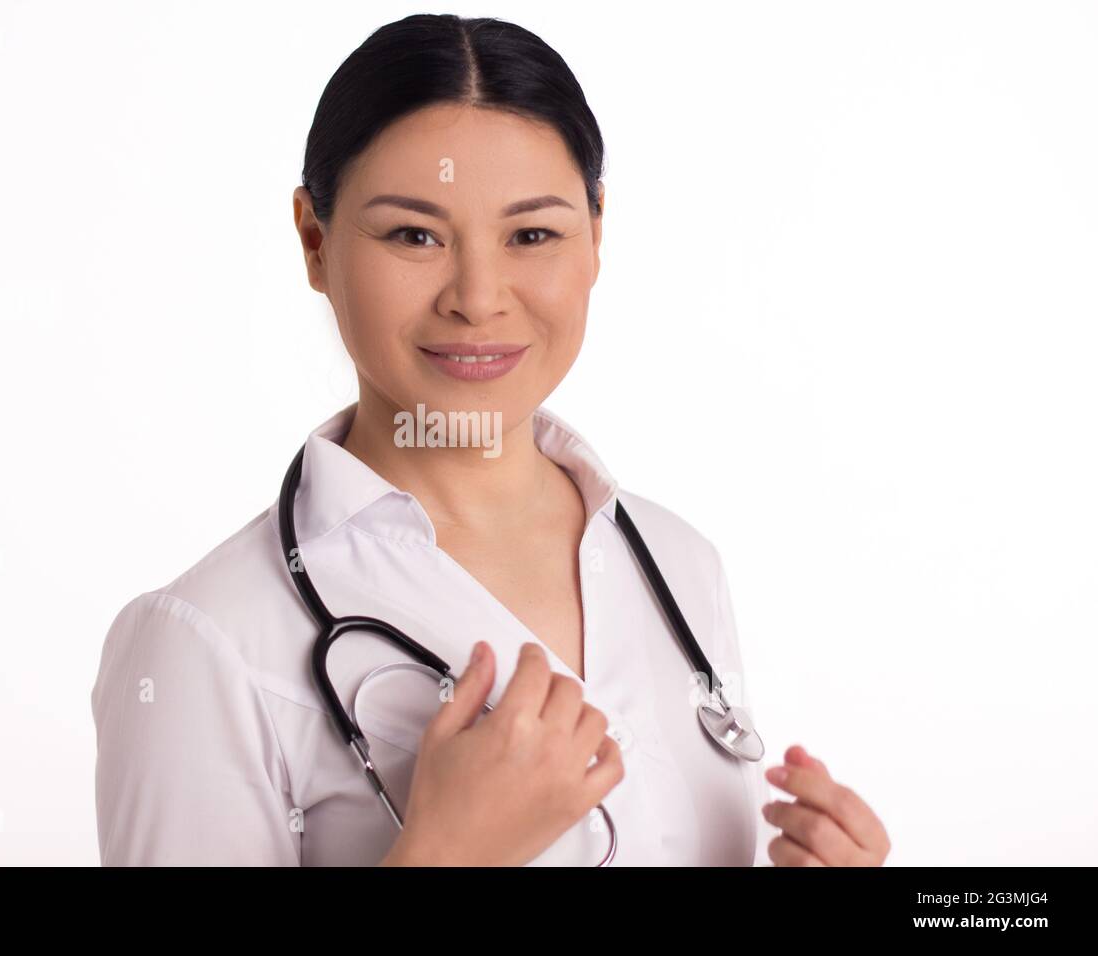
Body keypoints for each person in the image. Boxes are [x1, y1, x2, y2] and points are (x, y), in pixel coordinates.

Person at [91, 13, 891, 867]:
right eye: (413, 234)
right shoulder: (200, 643)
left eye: (533, 235)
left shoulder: (680, 566)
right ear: (314, 241)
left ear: (596, 235)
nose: (478, 297)